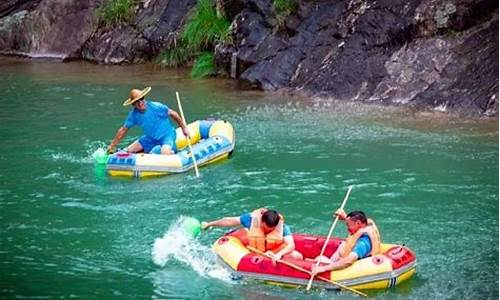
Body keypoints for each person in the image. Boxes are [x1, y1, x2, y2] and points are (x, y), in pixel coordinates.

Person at [107, 87, 190, 155]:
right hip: (150, 138)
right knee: (129, 151)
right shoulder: (133, 115)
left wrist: (184, 128)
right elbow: (123, 130)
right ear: (133, 104)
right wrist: (112, 145)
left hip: (166, 135)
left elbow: (173, 113)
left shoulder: (156, 107)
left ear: (144, 98)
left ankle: (173, 152)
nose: (140, 103)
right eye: (137, 101)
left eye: (141, 99)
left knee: (165, 152)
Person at [202, 208, 303, 263]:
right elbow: (229, 221)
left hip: (274, 253)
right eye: (265, 228)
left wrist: (279, 254)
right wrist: (210, 224)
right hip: (254, 252)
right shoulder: (252, 220)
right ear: (262, 221)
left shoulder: (282, 227)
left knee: (297, 256)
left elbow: (291, 245)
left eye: (271, 229)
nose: (267, 231)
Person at [311, 209, 381, 274]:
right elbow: (361, 221)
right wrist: (345, 217)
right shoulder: (368, 226)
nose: (348, 229)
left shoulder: (363, 242)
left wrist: (324, 268)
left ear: (358, 223)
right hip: (360, 261)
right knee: (343, 245)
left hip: (353, 270)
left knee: (319, 258)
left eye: (348, 225)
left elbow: (349, 260)